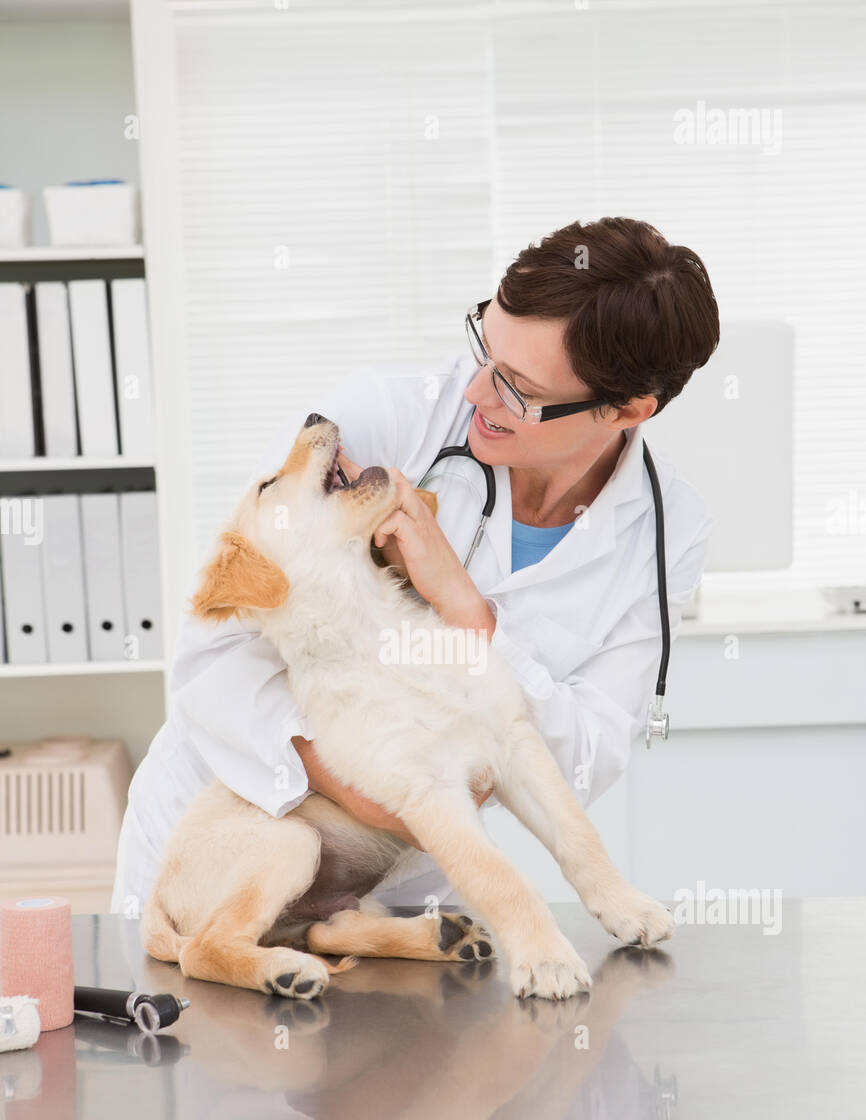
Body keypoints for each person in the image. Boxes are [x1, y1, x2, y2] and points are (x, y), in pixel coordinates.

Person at [111, 215, 719, 919]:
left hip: (391, 899)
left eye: (519, 389)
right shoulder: (381, 421)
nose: (476, 395)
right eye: (483, 347)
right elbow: (214, 658)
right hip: (220, 839)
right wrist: (364, 787)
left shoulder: (664, 534)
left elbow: (581, 759)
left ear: (626, 410)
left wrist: (467, 609)